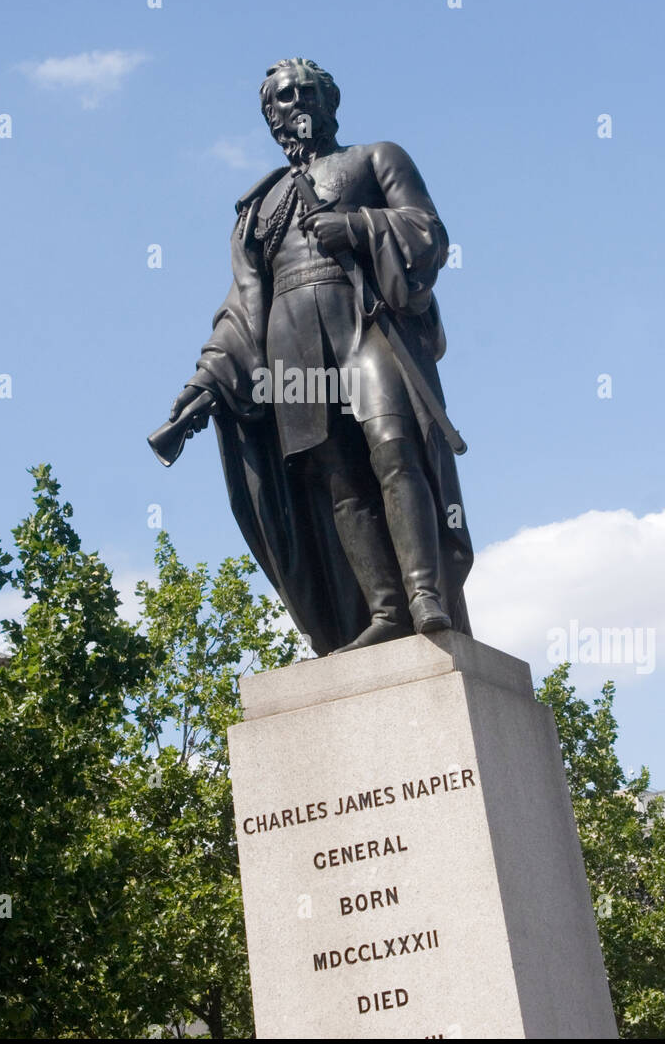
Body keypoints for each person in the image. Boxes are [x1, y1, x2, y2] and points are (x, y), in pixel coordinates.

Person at [166, 57, 473, 656]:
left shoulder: (376, 157)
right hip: (291, 347)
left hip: (363, 324)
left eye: (309, 91)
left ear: (332, 102)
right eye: (283, 96)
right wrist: (207, 380)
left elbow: (428, 234)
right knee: (338, 479)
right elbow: (242, 307)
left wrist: (358, 226)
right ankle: (384, 610)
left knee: (394, 446)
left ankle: (424, 595)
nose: (297, 101)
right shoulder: (259, 206)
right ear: (269, 115)